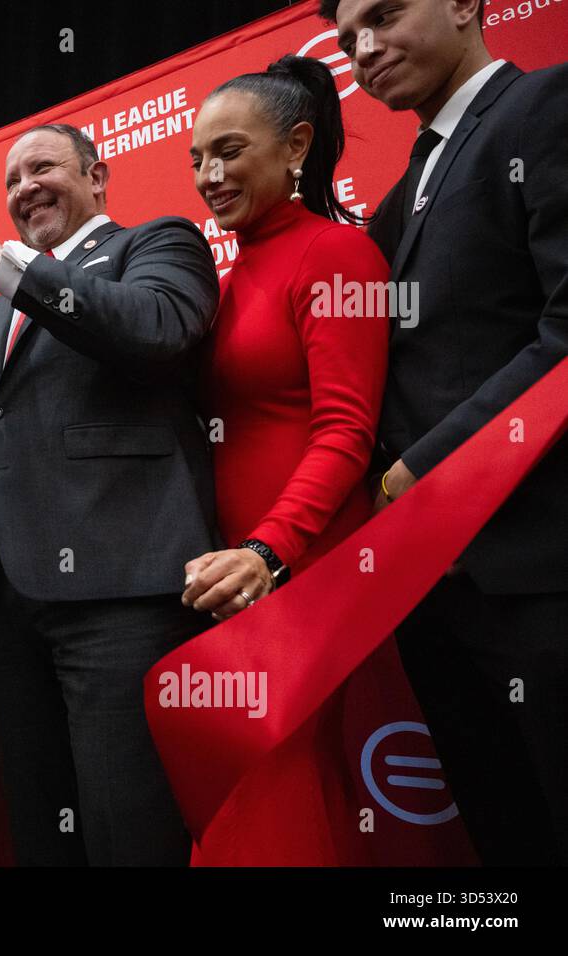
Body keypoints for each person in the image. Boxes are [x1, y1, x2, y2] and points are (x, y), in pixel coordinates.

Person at [0, 123, 220, 865]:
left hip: (121, 591)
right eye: (11, 180)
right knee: (41, 824)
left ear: (97, 177)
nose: (24, 187)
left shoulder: (156, 242)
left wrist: (4, 262)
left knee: (130, 825)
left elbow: (157, 331)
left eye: (43, 168)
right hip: (11, 602)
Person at [324, 0, 568, 865]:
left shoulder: (546, 108)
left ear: (466, 4)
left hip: (538, 568)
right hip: (433, 587)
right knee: (505, 837)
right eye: (350, 34)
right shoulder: (403, 193)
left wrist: (416, 471)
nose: (363, 45)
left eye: (384, 14)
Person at [179, 56, 390, 863]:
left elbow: (347, 432)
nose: (208, 174)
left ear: (297, 145)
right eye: (196, 158)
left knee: (277, 782)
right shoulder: (233, 275)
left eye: (228, 151)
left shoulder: (340, 256)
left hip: (302, 566)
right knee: (270, 785)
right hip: (235, 573)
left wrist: (272, 551)